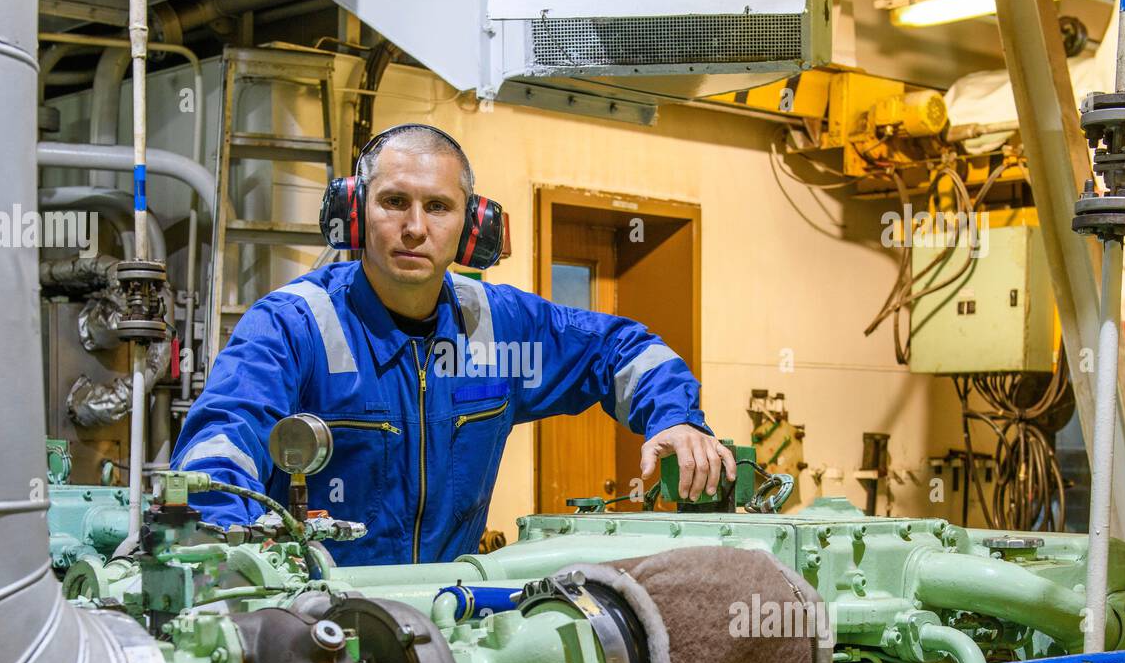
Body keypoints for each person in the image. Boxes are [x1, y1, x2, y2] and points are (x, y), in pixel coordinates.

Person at [171, 123, 734, 565]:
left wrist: (675, 419)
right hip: (318, 624)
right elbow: (222, 442)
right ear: (355, 212)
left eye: (438, 207)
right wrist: (219, 542)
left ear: (471, 228)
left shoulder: (500, 327)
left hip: (447, 623)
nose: (415, 226)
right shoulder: (293, 326)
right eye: (394, 202)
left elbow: (620, 348)